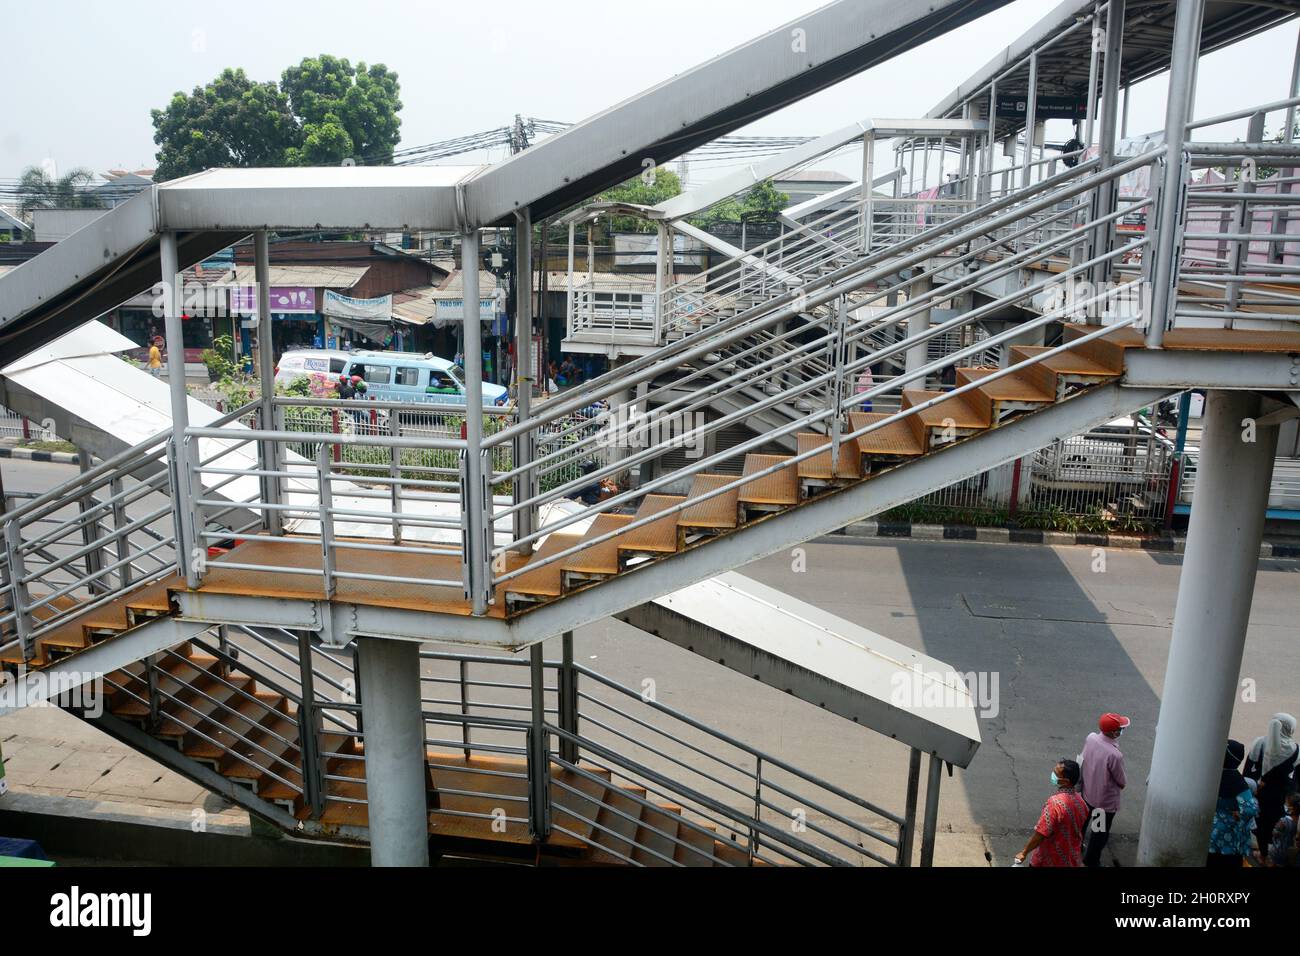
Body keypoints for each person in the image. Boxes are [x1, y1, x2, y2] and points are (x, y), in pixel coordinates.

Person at [1014, 758, 1089, 867]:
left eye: (1056, 773)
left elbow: (1041, 833)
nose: (1053, 774)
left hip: (1049, 858)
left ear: (1065, 781)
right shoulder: (1082, 803)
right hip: (1071, 858)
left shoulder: (1054, 804)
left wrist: (1024, 852)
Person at [1244, 713, 1299, 859]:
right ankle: (1277, 857)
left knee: (1261, 824)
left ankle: (1262, 855)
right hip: (1282, 797)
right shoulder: (1296, 750)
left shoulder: (1260, 743)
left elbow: (1249, 771)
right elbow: (1297, 779)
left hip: (1261, 794)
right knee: (1279, 827)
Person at [1079, 712, 1129, 867]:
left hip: (1087, 794)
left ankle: (1076, 847)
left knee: (1082, 824)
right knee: (1099, 832)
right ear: (1115, 732)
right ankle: (1091, 860)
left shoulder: (1091, 738)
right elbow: (1121, 781)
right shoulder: (1115, 755)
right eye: (1121, 728)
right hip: (1103, 803)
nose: (1122, 731)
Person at [1208, 740, 1259, 868]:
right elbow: (1249, 809)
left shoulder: (1210, 774)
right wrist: (1238, 816)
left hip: (1209, 830)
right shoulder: (1237, 781)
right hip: (1229, 834)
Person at [1266, 793, 1300, 867]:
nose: (1285, 805)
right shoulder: (1298, 820)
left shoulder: (1284, 821)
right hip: (1293, 851)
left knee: (1274, 864)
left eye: (1286, 803)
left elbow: (1275, 833)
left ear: (1291, 807)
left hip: (1280, 850)